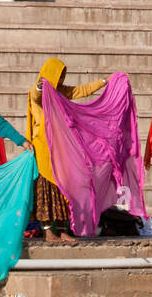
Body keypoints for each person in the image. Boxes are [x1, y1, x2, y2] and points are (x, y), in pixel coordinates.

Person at [27, 57, 106, 245]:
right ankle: (48, 233)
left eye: (63, 76)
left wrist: (105, 81)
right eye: (59, 76)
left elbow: (81, 91)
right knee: (47, 189)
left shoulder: (60, 91)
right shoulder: (38, 90)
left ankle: (62, 230)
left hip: (62, 148)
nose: (61, 80)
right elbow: (37, 96)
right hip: (44, 149)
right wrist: (40, 86)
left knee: (65, 189)